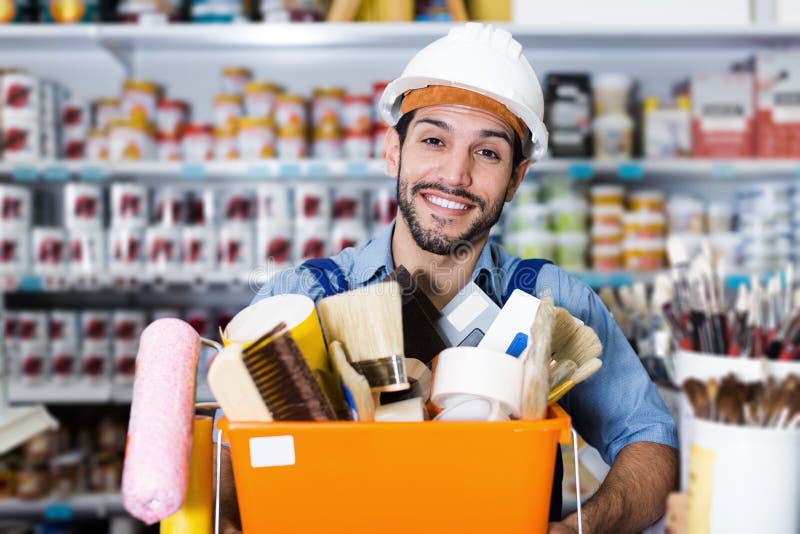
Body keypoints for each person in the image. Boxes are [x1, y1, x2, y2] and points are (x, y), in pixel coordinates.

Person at [218, 22, 678, 533]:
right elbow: (227, 452)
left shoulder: (554, 300)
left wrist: (580, 528)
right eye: (434, 140)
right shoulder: (297, 300)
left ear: (516, 178)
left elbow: (650, 440)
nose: (455, 175)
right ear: (393, 151)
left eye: (487, 152)